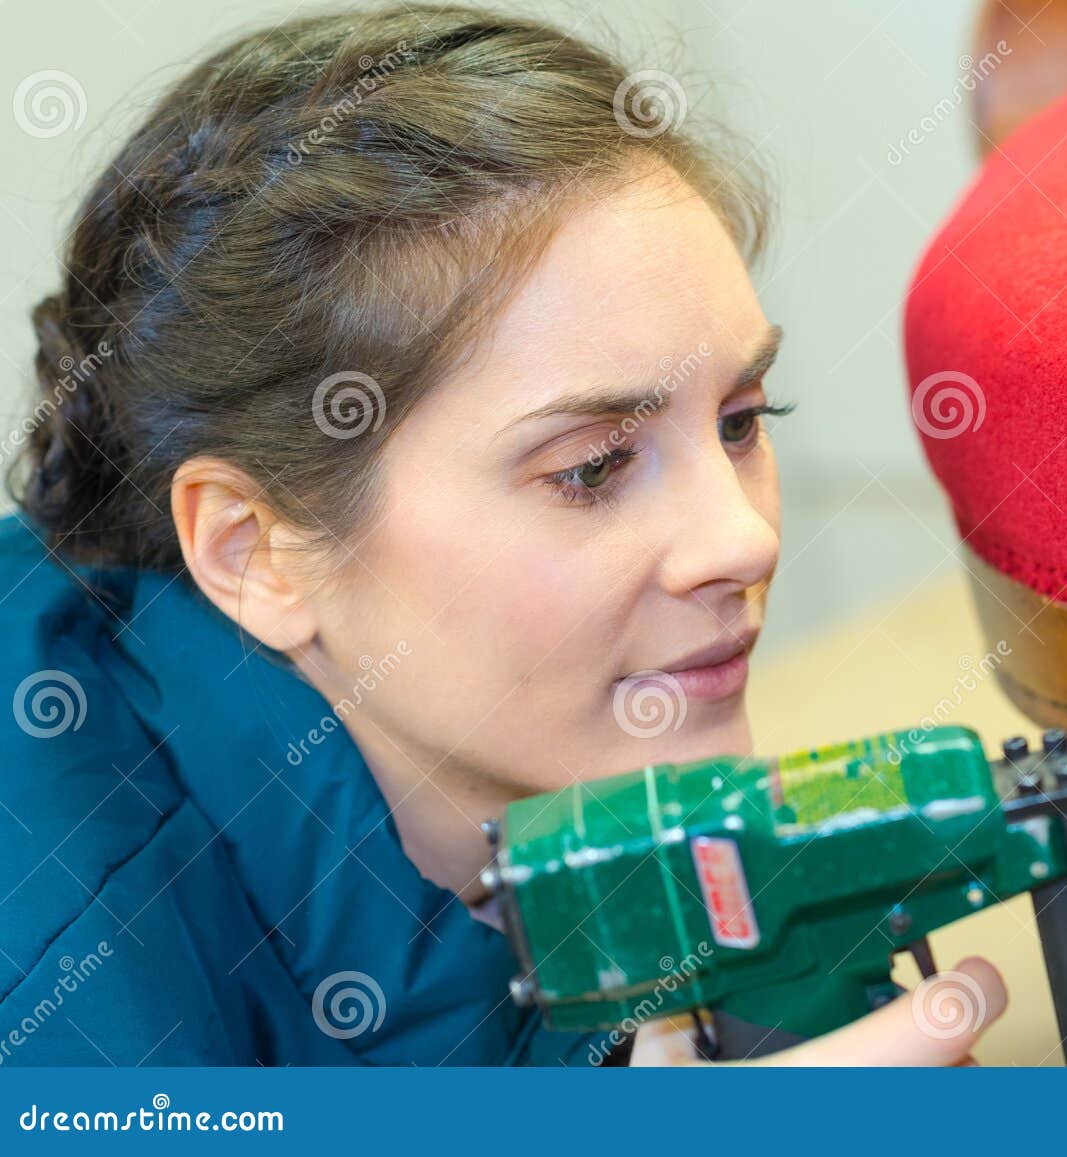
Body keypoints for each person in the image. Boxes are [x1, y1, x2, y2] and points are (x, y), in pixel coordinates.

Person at [0, 2, 1011, 1067]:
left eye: (740, 422)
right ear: (256, 547)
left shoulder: (572, 788)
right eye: (592, 468)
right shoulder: (60, 943)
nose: (743, 539)